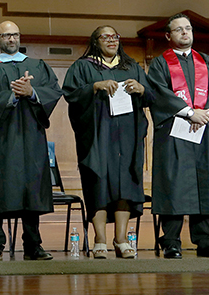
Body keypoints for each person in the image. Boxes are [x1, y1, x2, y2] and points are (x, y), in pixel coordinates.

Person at [0, 20, 62, 261]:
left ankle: (33, 245)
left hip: (31, 137)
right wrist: (11, 95)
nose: (11, 39)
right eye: (6, 36)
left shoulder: (36, 66)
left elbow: (54, 91)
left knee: (31, 188)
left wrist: (32, 93)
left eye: (15, 35)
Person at [64, 25, 152, 258]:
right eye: (106, 37)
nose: (112, 40)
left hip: (127, 137)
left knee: (126, 183)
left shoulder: (131, 66)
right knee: (98, 183)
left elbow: (151, 96)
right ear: (95, 41)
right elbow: (71, 95)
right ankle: (100, 239)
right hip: (97, 137)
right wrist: (94, 86)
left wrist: (142, 89)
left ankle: (121, 240)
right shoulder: (83, 67)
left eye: (115, 36)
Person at [145, 14, 209, 259]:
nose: (185, 32)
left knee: (205, 183)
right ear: (168, 36)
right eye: (179, 29)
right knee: (174, 185)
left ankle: (205, 241)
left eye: (188, 28)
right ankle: (170, 241)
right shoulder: (161, 63)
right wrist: (190, 113)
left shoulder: (207, 62)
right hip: (175, 132)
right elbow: (157, 93)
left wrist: (208, 113)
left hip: (204, 131)